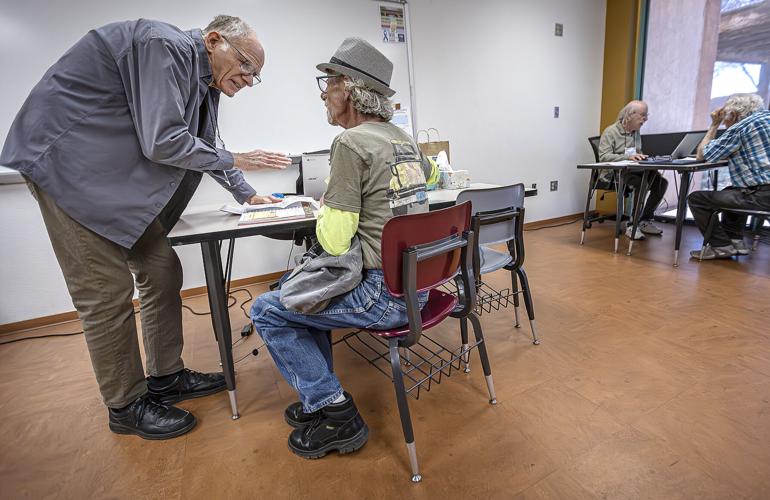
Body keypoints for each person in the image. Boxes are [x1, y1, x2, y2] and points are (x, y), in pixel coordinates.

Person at [0, 15, 291, 439]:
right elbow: (163, 141)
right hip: (65, 168)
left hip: (105, 181)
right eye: (246, 65)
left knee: (161, 270)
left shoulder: (205, 80)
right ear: (214, 41)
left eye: (255, 75)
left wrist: (247, 194)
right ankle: (126, 405)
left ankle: (166, 377)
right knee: (105, 292)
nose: (248, 80)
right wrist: (240, 161)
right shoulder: (163, 46)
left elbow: (208, 143)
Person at [250, 38, 432, 459]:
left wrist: (329, 205)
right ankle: (321, 395)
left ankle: (336, 412)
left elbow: (333, 240)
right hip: (415, 288)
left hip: (382, 297)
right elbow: (419, 186)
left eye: (328, 82)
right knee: (306, 298)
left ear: (348, 89)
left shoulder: (350, 143)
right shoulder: (404, 139)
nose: (323, 92)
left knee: (268, 309)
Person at [688, 93, 770, 260]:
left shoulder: (740, 128)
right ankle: (735, 241)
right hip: (761, 191)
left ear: (734, 115)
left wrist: (714, 124)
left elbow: (702, 155)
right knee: (732, 190)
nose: (725, 122)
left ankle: (721, 245)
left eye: (725, 117)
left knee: (697, 198)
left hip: (762, 196)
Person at [598, 100, 668, 239]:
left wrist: (642, 158)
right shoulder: (610, 132)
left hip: (633, 170)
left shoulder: (636, 133)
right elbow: (604, 156)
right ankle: (632, 225)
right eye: (643, 115)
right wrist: (628, 157)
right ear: (630, 115)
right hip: (613, 173)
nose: (646, 119)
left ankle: (644, 221)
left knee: (661, 182)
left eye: (646, 115)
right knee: (643, 183)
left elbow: (636, 153)